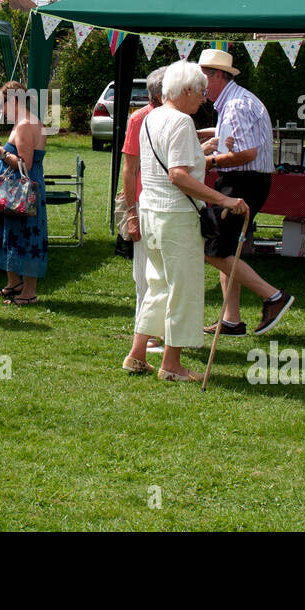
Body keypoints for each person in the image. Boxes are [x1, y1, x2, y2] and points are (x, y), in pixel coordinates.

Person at [122, 61, 249, 382]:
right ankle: (172, 365)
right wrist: (224, 199)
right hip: (175, 216)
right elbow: (178, 175)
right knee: (183, 287)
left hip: (151, 210)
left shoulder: (151, 117)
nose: (204, 99)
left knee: (159, 284)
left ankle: (137, 355)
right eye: (202, 92)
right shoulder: (180, 121)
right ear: (187, 90)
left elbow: (177, 166)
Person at [196, 49, 292, 336]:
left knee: (212, 248)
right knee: (225, 247)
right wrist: (201, 134)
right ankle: (231, 319)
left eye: (202, 78)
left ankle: (273, 296)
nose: (199, 86)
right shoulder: (235, 101)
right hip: (247, 180)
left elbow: (247, 153)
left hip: (242, 181)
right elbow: (232, 135)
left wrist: (208, 161)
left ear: (217, 77)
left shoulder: (236, 104)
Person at [0, 81, 48, 305]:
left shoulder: (26, 125)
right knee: (11, 232)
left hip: (22, 189)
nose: (0, 110)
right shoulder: (23, 123)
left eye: (1, 104)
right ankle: (14, 283)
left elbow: (24, 164)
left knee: (26, 235)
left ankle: (28, 292)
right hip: (14, 188)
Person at [119, 66, 167, 348]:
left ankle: (160, 330)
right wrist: (131, 213)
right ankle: (145, 332)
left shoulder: (175, 118)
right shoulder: (139, 119)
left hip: (166, 206)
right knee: (145, 273)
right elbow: (129, 169)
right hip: (145, 204)